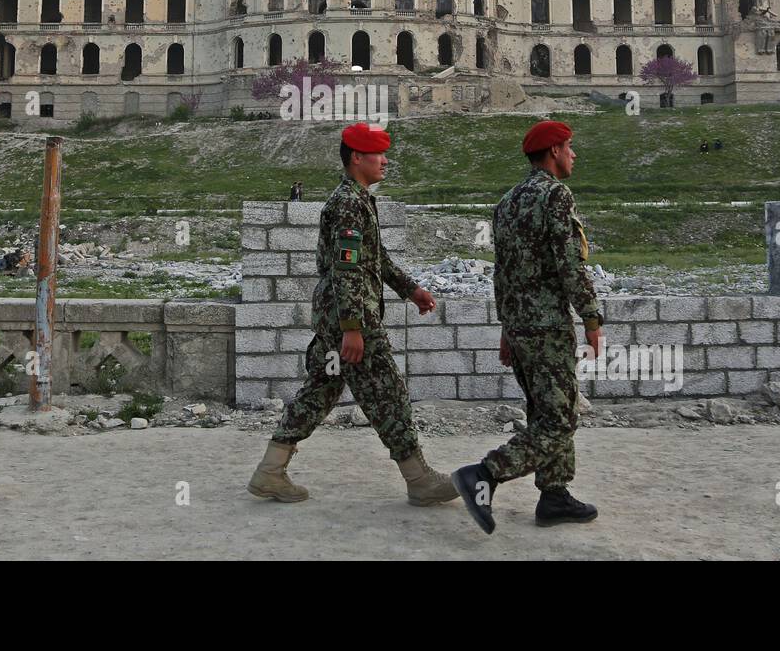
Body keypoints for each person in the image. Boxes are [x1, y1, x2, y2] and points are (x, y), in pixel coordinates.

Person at [248, 122, 458, 506]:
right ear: (357, 158)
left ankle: (269, 471)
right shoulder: (348, 203)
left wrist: (410, 289)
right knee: (389, 393)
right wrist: (353, 328)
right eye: (379, 154)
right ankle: (419, 479)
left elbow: (374, 259)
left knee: (320, 391)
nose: (385, 161)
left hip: (339, 316)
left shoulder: (358, 199)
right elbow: (348, 270)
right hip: (351, 316)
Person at [452, 120, 602, 534]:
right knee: (560, 419)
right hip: (546, 325)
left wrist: (506, 327)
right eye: (569, 147)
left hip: (519, 325)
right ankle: (484, 473)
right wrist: (591, 316)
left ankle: (554, 495)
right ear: (553, 151)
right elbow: (569, 264)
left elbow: (505, 272)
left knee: (544, 411)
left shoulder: (507, 201)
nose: (574, 155)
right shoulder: (555, 195)